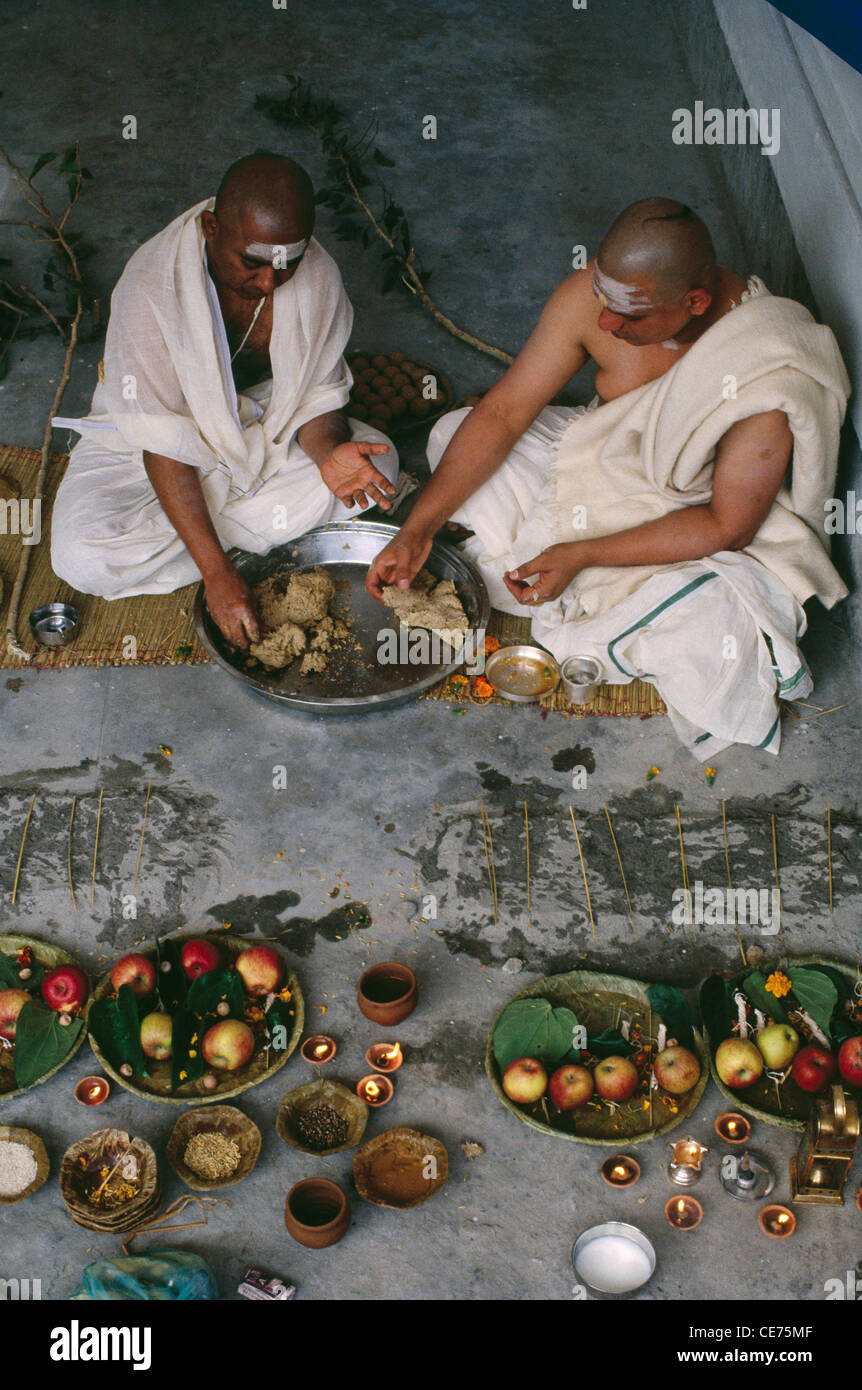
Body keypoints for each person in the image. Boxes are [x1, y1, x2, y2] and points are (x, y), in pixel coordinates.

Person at [366, 198, 850, 756]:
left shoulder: (761, 365)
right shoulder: (595, 298)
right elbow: (503, 411)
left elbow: (728, 525)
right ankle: (520, 562)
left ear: (695, 301)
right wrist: (418, 528)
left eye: (631, 318)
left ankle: (538, 574)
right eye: (602, 297)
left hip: (691, 521)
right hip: (599, 463)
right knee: (456, 432)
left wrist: (582, 553)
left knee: (710, 628)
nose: (605, 324)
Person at [51, 153, 398, 647]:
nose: (268, 283)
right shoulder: (151, 286)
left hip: (261, 417)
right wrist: (217, 575)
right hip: (150, 437)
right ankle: (233, 541)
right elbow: (162, 444)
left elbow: (317, 396)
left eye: (286, 266)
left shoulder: (318, 275)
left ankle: (205, 527)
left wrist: (328, 453)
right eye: (252, 263)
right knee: (82, 555)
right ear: (212, 227)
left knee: (374, 464)